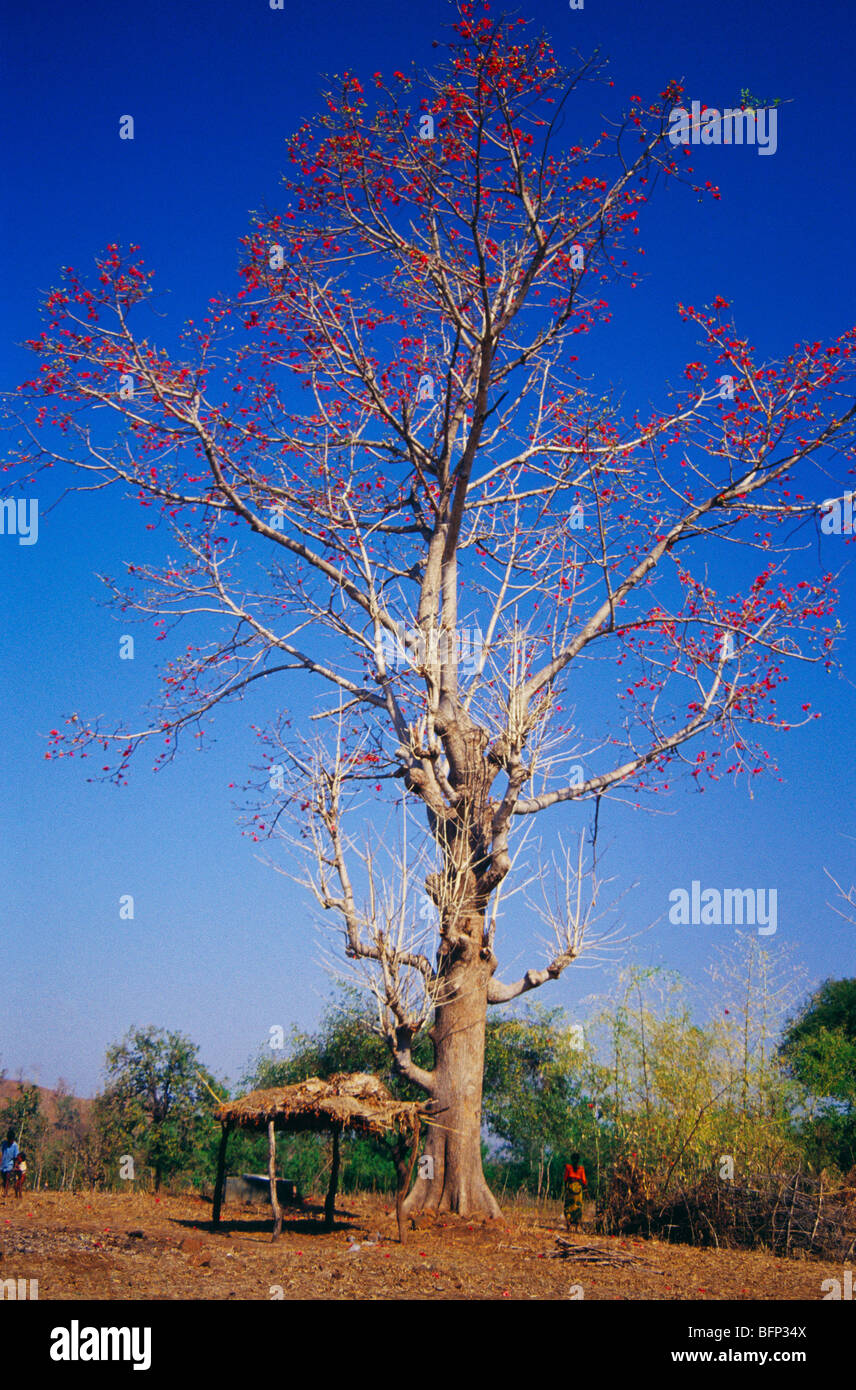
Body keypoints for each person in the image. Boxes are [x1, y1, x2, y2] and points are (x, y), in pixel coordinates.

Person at [563, 1151, 587, 1231]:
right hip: (578, 1191)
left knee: (568, 1206)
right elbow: (584, 1181)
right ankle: (576, 1226)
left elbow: (565, 1179)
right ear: (578, 1160)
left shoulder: (568, 1167)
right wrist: (586, 1190)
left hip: (570, 1190)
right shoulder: (581, 1169)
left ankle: (569, 1224)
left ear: (571, 1159)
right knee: (578, 1207)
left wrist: (565, 1189)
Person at [1, 1129, 19, 1197]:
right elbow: (2, 1153)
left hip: (10, 1164)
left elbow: (16, 1157)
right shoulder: (4, 1144)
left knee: (8, 1177)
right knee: (4, 1178)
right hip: (3, 1163)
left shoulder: (15, 1146)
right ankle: (4, 1189)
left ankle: (5, 1192)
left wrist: (15, 1165)